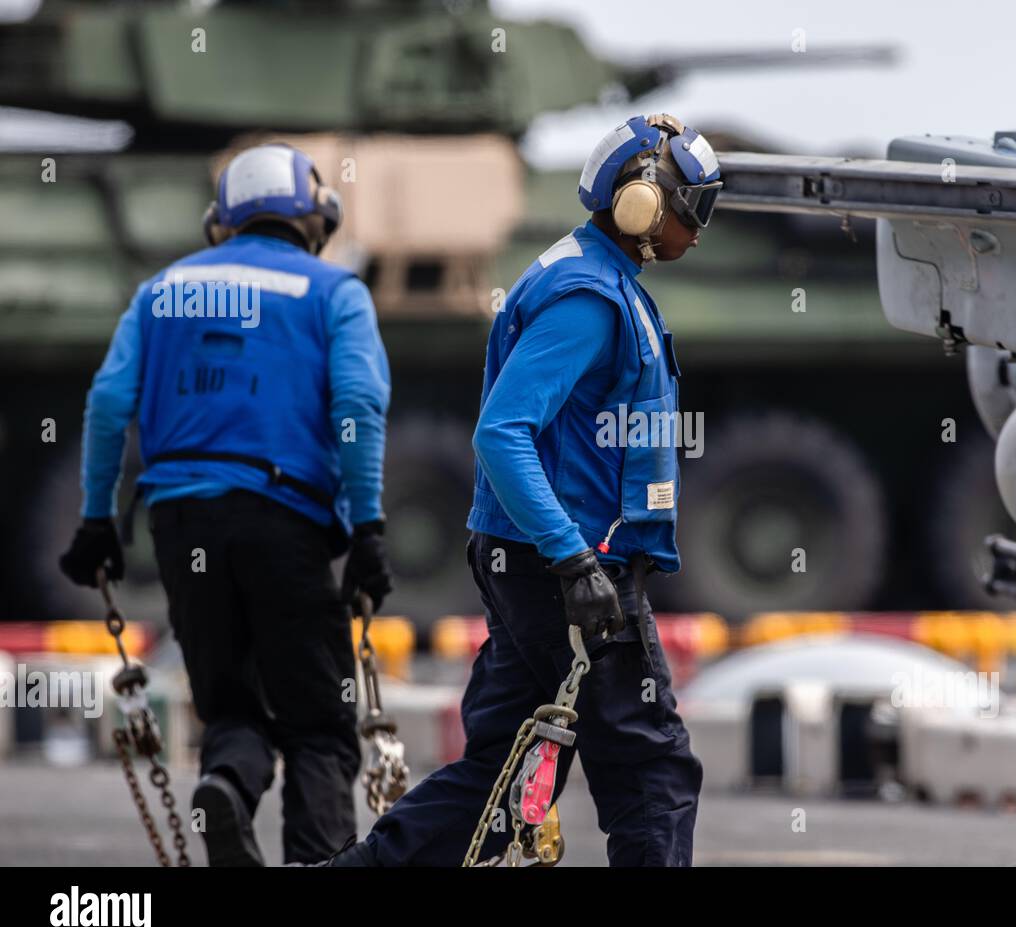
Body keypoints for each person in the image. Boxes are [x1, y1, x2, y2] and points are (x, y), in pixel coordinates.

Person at [328, 114, 723, 867]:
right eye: (692, 209)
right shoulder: (587, 297)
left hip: (543, 564)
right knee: (651, 770)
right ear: (642, 202)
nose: (698, 232)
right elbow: (501, 432)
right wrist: (575, 564)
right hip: (570, 570)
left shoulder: (598, 278)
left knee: (497, 781)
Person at [57, 144, 394, 866]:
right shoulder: (335, 293)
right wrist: (366, 525)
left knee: (232, 702)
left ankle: (226, 785)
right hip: (287, 521)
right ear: (314, 217)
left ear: (223, 220)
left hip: (182, 524)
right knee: (318, 723)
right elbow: (359, 405)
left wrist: (94, 519)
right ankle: (319, 861)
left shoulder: (160, 291)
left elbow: (110, 402)